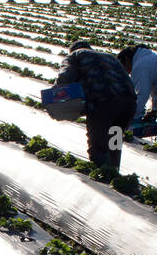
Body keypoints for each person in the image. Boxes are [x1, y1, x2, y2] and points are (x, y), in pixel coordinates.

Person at [53, 40, 136, 174]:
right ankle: (114, 170)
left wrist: (55, 97)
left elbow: (65, 77)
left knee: (98, 145)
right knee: (115, 137)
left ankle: (104, 178)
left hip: (104, 101)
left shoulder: (74, 56)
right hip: (128, 102)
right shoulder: (109, 57)